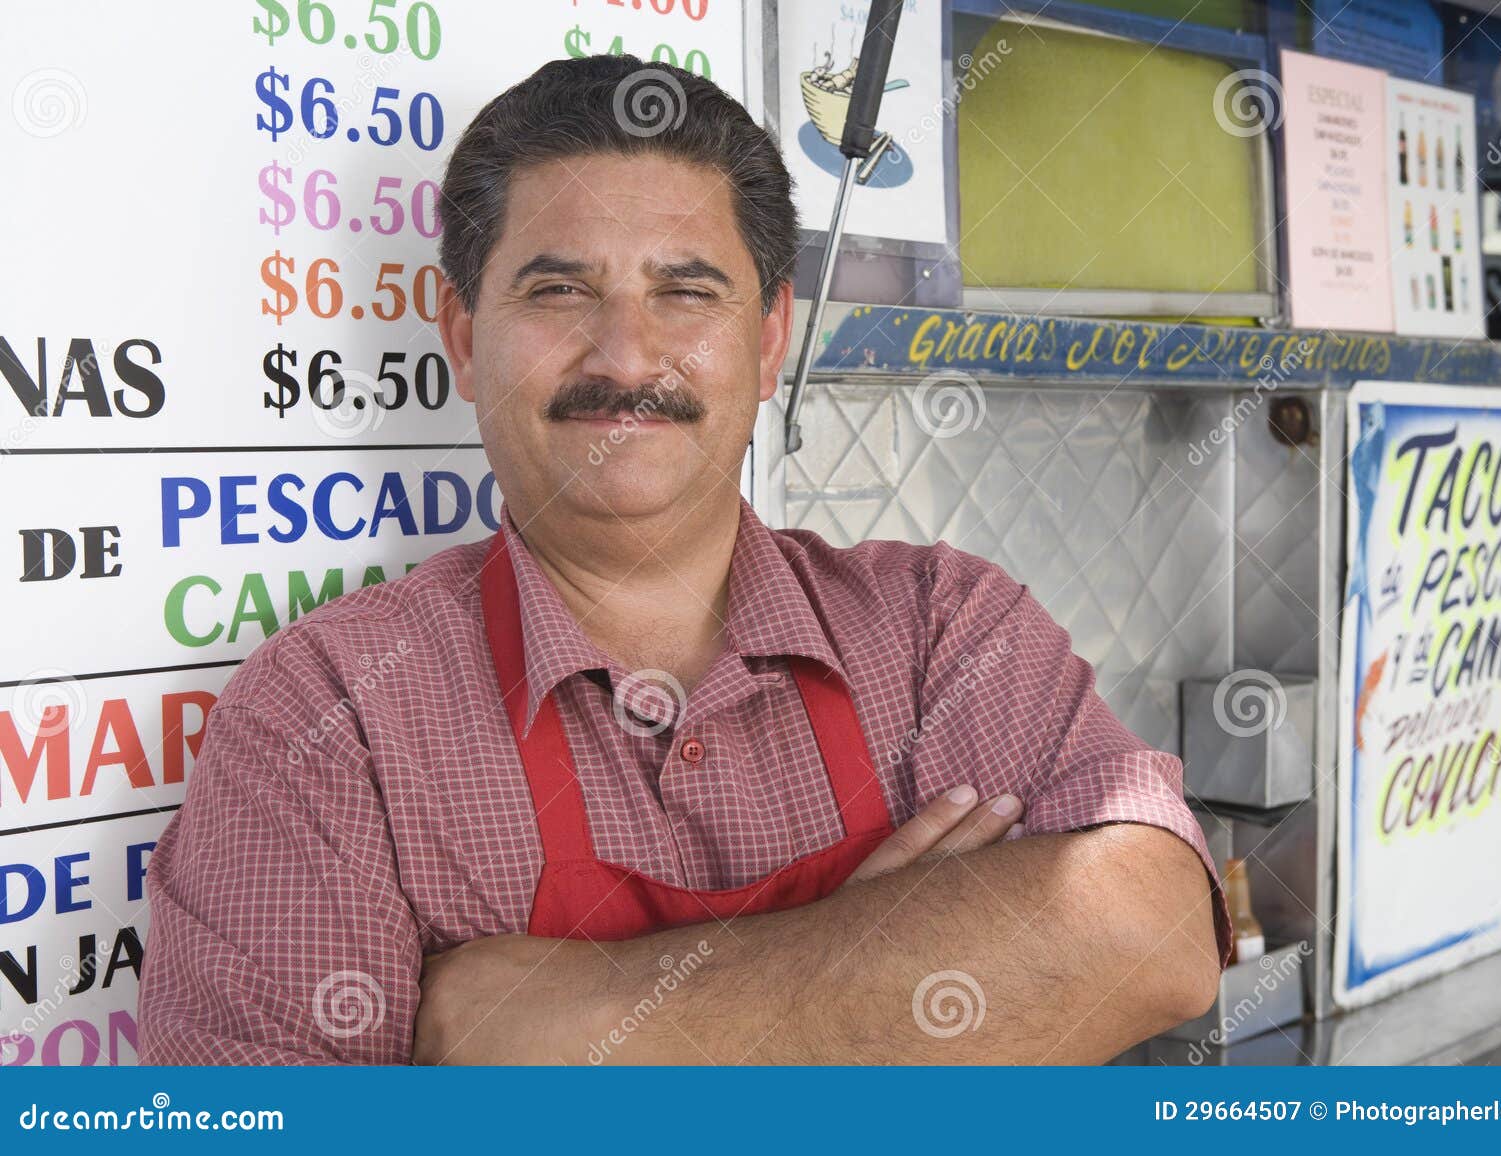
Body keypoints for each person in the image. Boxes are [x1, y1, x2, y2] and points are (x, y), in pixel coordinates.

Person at [137, 55, 1228, 1066]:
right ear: (465, 340)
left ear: (765, 343)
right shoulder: (333, 717)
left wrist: (571, 1024)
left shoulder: (941, 624)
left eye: (687, 290)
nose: (625, 355)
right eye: (558, 291)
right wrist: (887, 961)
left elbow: (1154, 928)